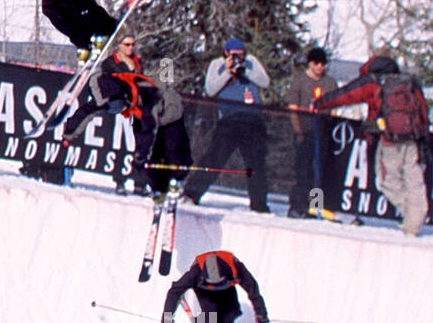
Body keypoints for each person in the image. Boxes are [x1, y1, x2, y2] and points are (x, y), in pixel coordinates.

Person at [313, 52, 430, 236]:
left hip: (388, 140)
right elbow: (423, 111)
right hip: (412, 139)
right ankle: (416, 215)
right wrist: (423, 139)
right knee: (414, 181)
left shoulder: (374, 82)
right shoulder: (410, 83)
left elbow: (345, 95)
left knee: (387, 182)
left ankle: (413, 217)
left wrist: (319, 103)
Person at [183, 38, 272, 213]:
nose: (238, 58)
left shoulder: (251, 62)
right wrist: (228, 72)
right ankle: (192, 193)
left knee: (256, 163)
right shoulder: (217, 64)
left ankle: (259, 203)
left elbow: (265, 82)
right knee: (215, 158)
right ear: (226, 53)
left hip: (252, 119)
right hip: (229, 120)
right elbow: (210, 89)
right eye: (234, 55)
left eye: (241, 54)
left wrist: (245, 70)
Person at [84, 66, 192, 200]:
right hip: (150, 111)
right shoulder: (130, 95)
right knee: (146, 154)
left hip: (167, 115)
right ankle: (158, 185)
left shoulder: (151, 102)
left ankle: (172, 183)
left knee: (168, 147)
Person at [160, 251, 269, 323]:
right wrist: (168, 316)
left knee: (232, 311)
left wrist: (261, 313)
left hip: (226, 288)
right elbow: (175, 291)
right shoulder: (196, 272)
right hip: (204, 289)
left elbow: (253, 290)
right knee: (210, 314)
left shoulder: (236, 268)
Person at [284, 47, 338, 218]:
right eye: (316, 63)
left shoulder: (329, 83)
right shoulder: (300, 81)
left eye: (322, 64)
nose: (319, 67)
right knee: (302, 171)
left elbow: (334, 108)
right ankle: (297, 206)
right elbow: (292, 107)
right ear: (310, 63)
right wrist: (298, 130)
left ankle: (315, 206)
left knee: (318, 171)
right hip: (304, 132)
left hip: (322, 134)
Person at [101, 33, 144, 193]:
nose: (130, 48)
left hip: (136, 107)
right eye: (127, 44)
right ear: (119, 45)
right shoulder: (111, 63)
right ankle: (120, 181)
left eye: (132, 44)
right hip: (120, 106)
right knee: (121, 143)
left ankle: (139, 183)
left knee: (139, 145)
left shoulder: (138, 61)